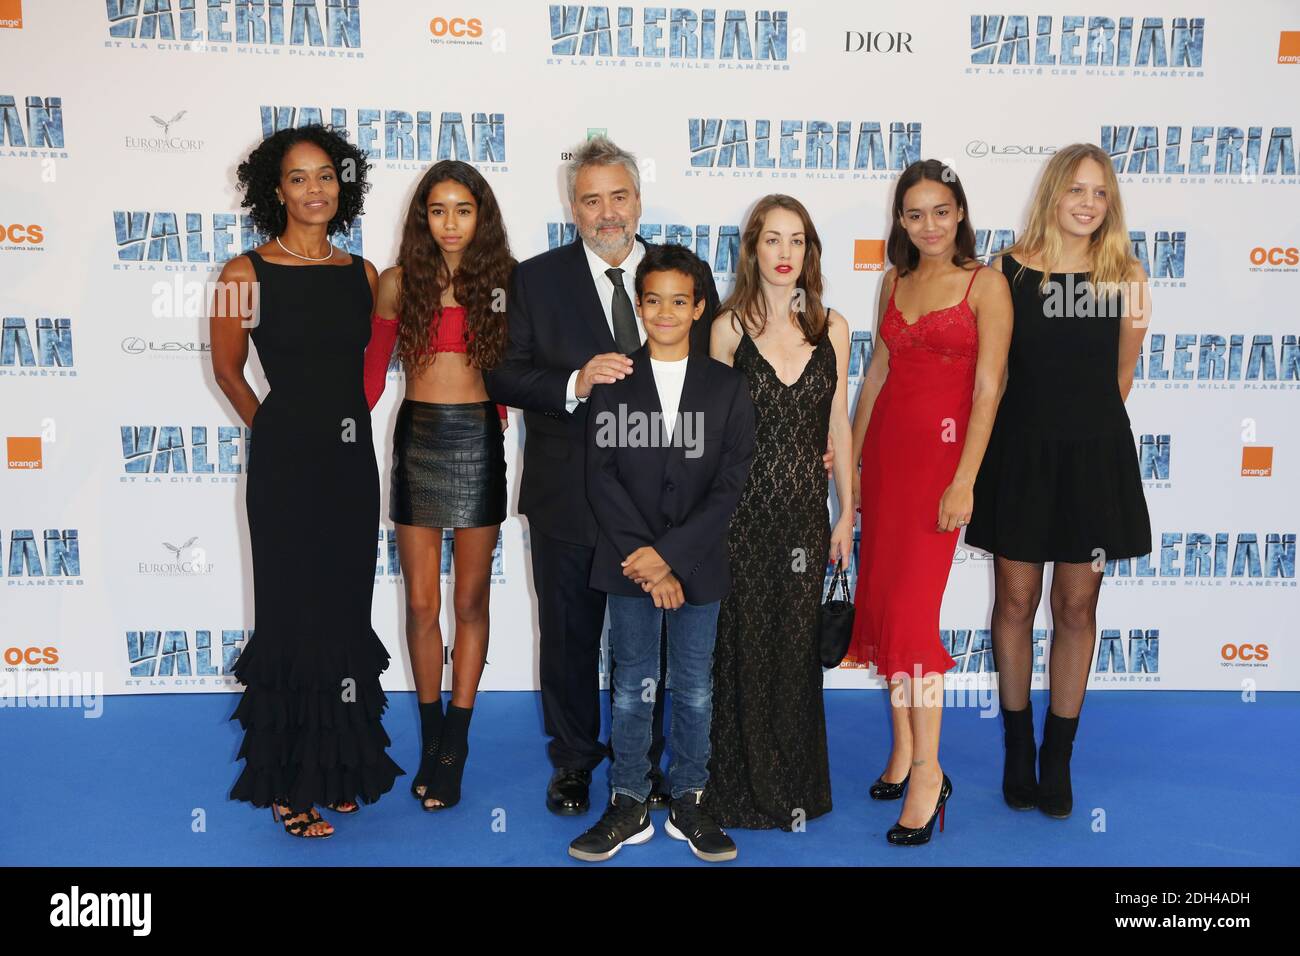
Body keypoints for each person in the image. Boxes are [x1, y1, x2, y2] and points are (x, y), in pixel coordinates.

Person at [482, 136, 719, 816]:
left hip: (668, 502)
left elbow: (717, 372)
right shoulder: (535, 279)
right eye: (591, 199)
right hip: (569, 496)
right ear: (572, 207)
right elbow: (502, 372)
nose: (607, 212)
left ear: (638, 199)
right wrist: (574, 381)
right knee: (571, 636)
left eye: (619, 196)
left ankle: (657, 766)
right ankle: (575, 763)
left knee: (664, 644)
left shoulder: (683, 271)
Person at [213, 123, 403, 839]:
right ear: (275, 189)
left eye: (326, 175)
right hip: (286, 464)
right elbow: (229, 372)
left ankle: (340, 765)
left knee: (344, 610)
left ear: (342, 185)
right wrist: (275, 430)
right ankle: (291, 780)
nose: (314, 189)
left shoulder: (363, 274)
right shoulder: (242, 273)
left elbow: (374, 364)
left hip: (351, 465)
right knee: (293, 613)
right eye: (298, 178)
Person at [963, 143, 1152, 819]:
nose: (1088, 203)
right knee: (1014, 603)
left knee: (1077, 609)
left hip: (1092, 460)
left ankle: (1058, 757)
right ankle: (1017, 746)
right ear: (1052, 194)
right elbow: (996, 376)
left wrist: (1086, 436)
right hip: (1021, 456)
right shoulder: (1008, 272)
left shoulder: (1125, 274)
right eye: (1076, 189)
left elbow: (1122, 375)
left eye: (1100, 193)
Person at [569, 243, 755, 862]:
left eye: (680, 300)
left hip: (698, 562)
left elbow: (730, 483)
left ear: (699, 307)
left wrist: (670, 557)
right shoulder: (615, 380)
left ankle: (690, 800)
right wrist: (646, 560)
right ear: (640, 308)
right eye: (654, 301)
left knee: (695, 685)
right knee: (632, 684)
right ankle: (628, 802)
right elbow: (602, 478)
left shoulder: (728, 388)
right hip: (628, 565)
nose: (667, 312)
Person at [846, 160, 1012, 845]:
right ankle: (901, 750)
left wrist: (965, 478)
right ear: (900, 221)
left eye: (941, 211)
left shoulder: (986, 285)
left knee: (911, 623)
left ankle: (928, 770)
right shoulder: (895, 279)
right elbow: (878, 372)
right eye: (914, 214)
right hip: (886, 462)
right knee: (885, 610)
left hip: (940, 470)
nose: (929, 225)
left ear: (961, 213)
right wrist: (853, 464)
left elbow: (989, 388)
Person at [363, 160, 515, 810]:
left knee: (472, 604)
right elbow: (370, 377)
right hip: (419, 440)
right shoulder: (398, 283)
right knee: (423, 606)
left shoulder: (506, 282)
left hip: (478, 441)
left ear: (481, 216)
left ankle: (456, 741)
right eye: (437, 209)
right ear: (422, 217)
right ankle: (429, 741)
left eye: (463, 209)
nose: (450, 222)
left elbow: (518, 371)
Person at [706, 194, 854, 831]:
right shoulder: (726, 329)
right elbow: (708, 436)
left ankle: (794, 786)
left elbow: (839, 426)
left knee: (794, 650)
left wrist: (847, 513)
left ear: (809, 250)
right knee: (739, 646)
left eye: (797, 240)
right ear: (753, 249)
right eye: (773, 239)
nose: (785, 253)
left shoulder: (833, 328)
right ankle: (737, 787)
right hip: (739, 517)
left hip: (802, 518)